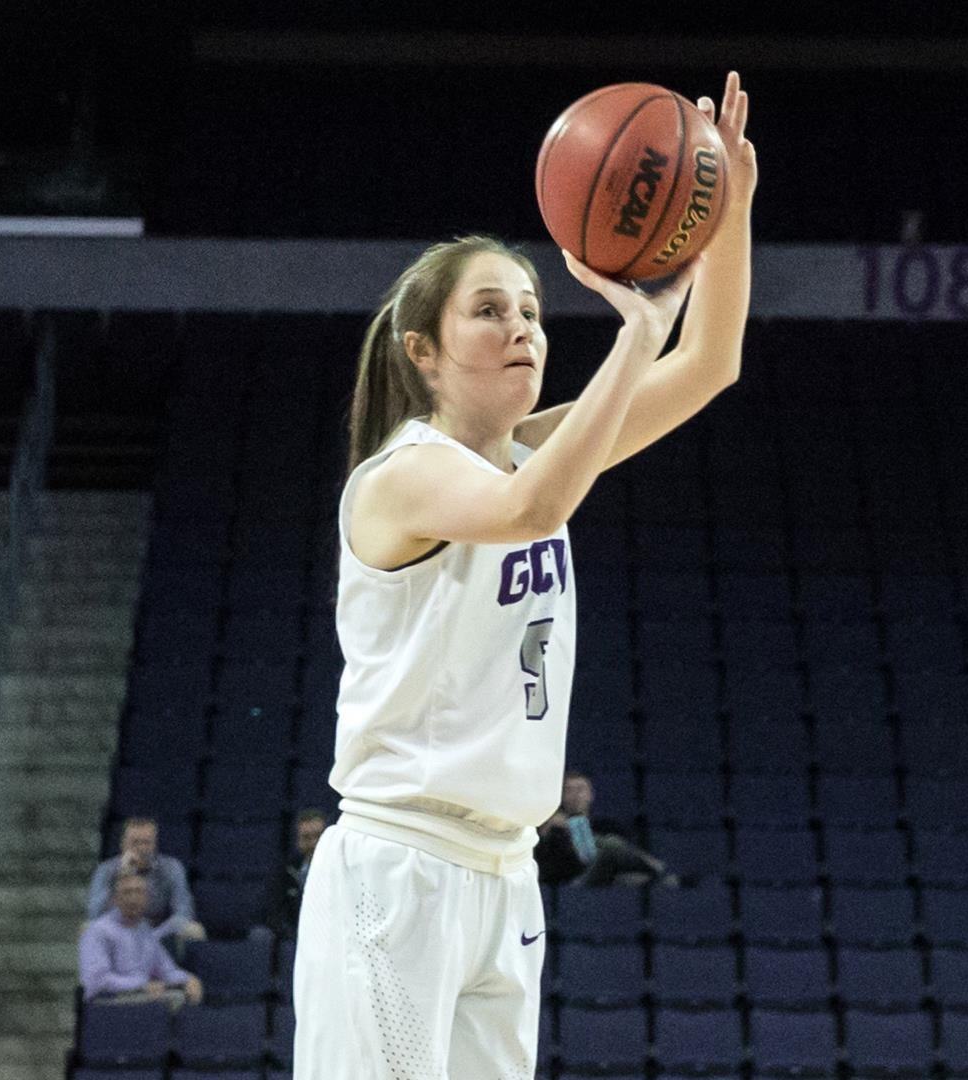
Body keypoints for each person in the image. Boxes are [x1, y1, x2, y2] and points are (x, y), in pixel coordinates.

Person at [292, 71, 755, 1078]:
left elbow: (710, 362)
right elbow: (531, 510)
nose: (524, 329)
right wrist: (637, 332)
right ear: (423, 351)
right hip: (400, 866)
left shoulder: (524, 457)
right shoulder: (403, 476)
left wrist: (728, 215)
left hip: (505, 871)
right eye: (490, 312)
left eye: (536, 311)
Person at [78, 872, 201, 1008]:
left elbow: (166, 970)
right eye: (127, 892)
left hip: (141, 997)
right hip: (107, 1002)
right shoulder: (98, 931)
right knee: (174, 1001)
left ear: (147, 898)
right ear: (114, 899)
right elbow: (97, 982)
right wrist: (141, 985)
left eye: (139, 892)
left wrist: (188, 979)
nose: (133, 898)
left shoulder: (144, 930)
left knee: (188, 993)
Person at [535, 770, 669, 887]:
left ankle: (657, 873)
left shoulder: (607, 826)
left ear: (590, 795)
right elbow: (544, 867)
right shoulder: (552, 829)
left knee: (629, 868)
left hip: (605, 882)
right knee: (611, 846)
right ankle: (655, 867)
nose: (575, 795)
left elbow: (624, 860)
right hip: (569, 885)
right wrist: (544, 834)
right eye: (569, 790)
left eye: (580, 789)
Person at [85, 817, 205, 944]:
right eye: (135, 842)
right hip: (118, 930)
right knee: (88, 928)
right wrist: (123, 876)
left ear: (155, 844)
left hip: (159, 931)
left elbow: (184, 911)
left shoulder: (172, 867)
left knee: (194, 930)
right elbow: (95, 914)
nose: (142, 848)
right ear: (123, 844)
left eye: (146, 842)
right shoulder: (106, 870)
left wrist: (153, 936)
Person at [261, 809, 327, 941]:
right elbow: (274, 913)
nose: (313, 843)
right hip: (294, 939)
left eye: (318, 836)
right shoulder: (285, 871)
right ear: (298, 841)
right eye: (306, 837)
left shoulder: (342, 869)